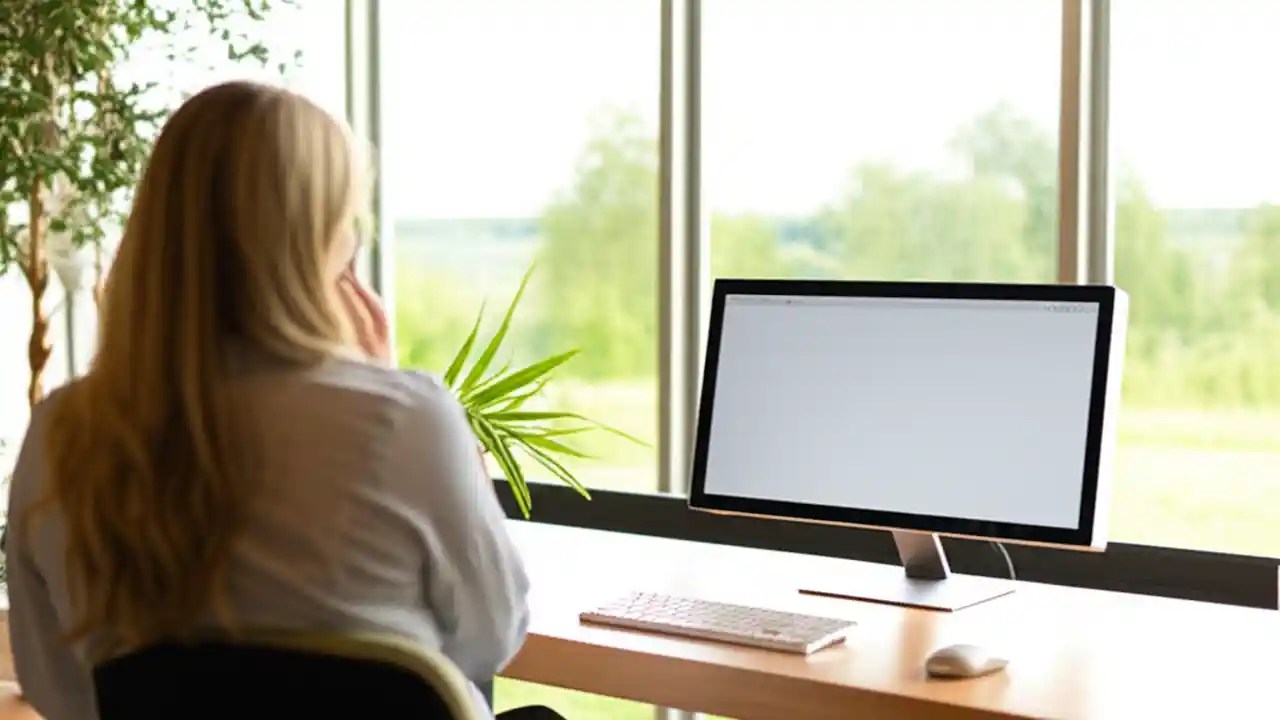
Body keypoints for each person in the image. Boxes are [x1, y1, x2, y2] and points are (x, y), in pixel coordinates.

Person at [4, 81, 564, 720]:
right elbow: (491, 638)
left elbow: (61, 693)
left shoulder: (60, 434)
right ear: (313, 237)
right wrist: (379, 386)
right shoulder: (404, 420)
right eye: (347, 218)